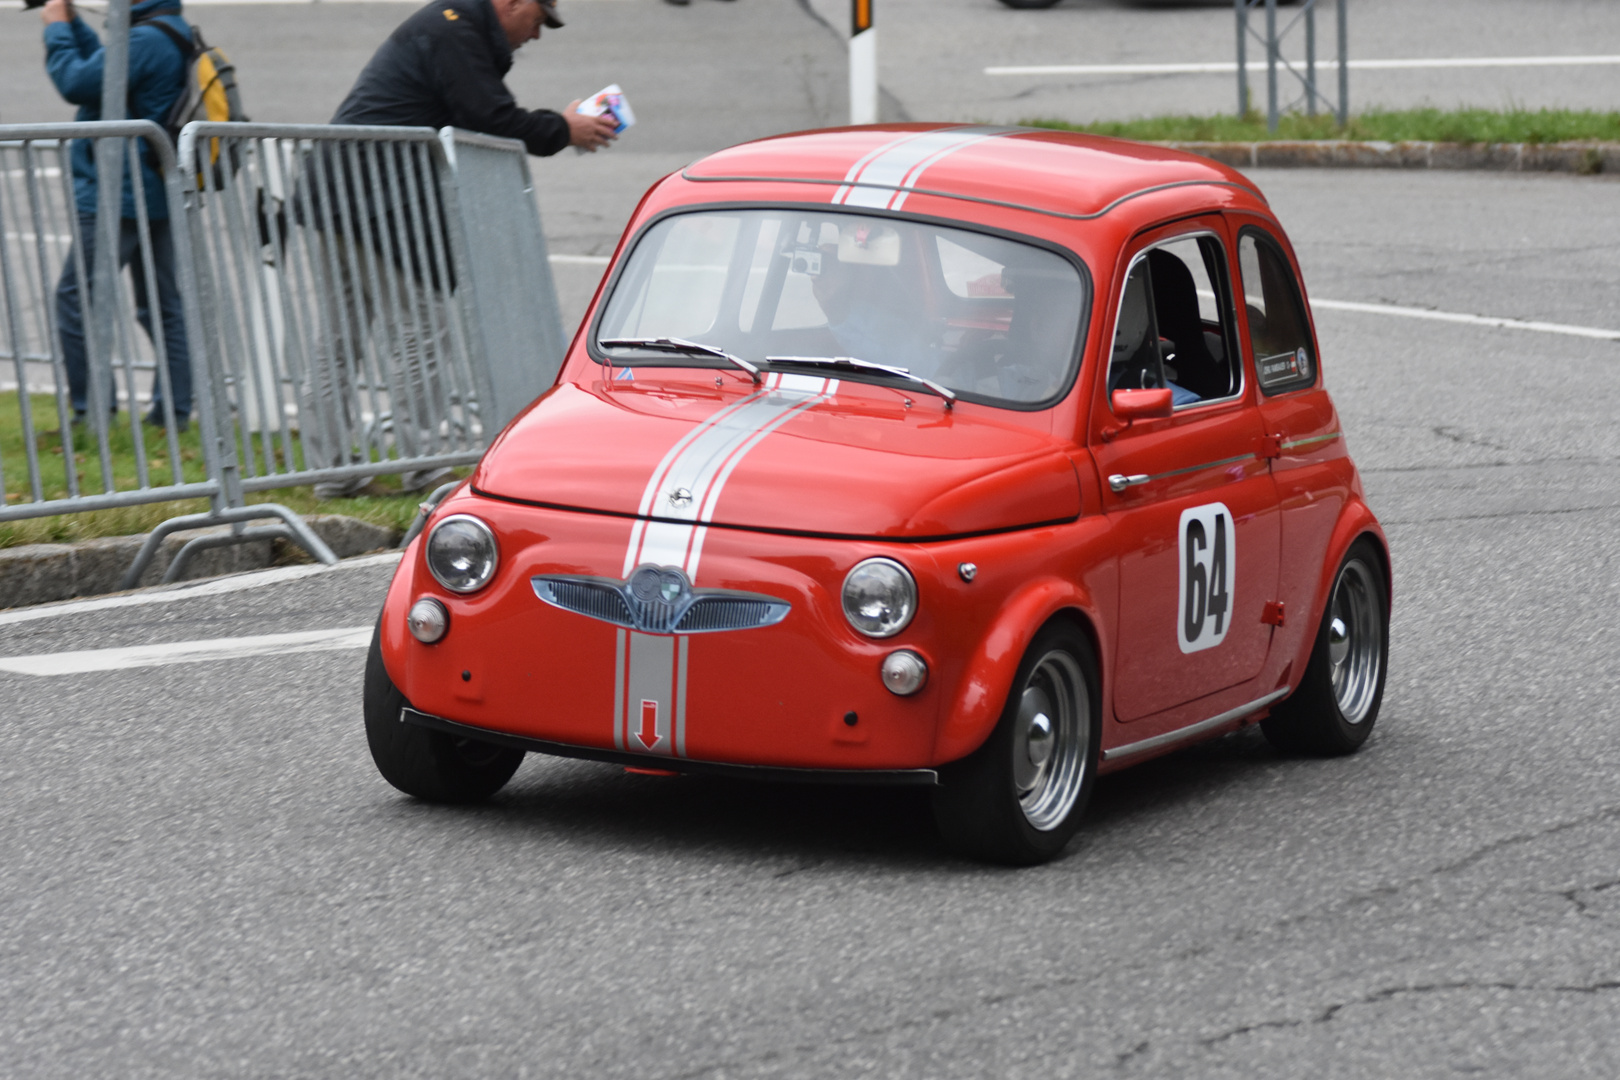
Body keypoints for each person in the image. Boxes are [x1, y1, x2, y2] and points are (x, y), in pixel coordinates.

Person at [305, 0, 618, 498]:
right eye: (538, 20)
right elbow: (490, 115)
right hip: (377, 198)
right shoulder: (456, 30)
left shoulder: (450, 23)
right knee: (419, 331)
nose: (536, 35)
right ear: (511, 3)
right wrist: (563, 128)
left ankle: (333, 473)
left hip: (333, 188)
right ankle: (423, 466)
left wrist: (560, 126)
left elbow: (478, 115)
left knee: (338, 341)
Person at [43, 0, 194, 431]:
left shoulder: (145, 39)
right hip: (155, 188)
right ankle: (172, 414)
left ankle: (91, 411)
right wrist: (74, 24)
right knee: (164, 305)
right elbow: (108, 74)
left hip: (120, 193)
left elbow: (78, 82)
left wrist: (55, 29)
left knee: (77, 298)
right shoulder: (169, 28)